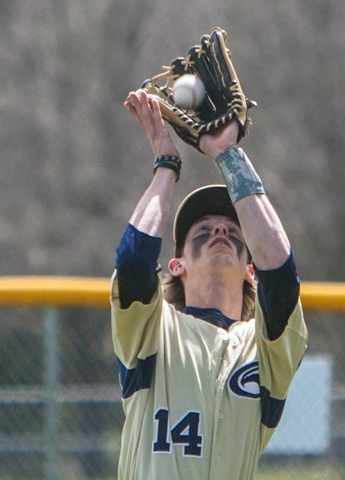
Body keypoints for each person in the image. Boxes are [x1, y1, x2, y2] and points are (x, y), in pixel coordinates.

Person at [111, 88, 308, 479]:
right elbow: (133, 262)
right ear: (176, 265)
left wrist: (227, 154)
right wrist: (166, 163)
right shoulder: (152, 332)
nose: (219, 227)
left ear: (251, 270)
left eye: (232, 228)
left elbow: (282, 275)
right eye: (202, 228)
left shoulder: (265, 351)